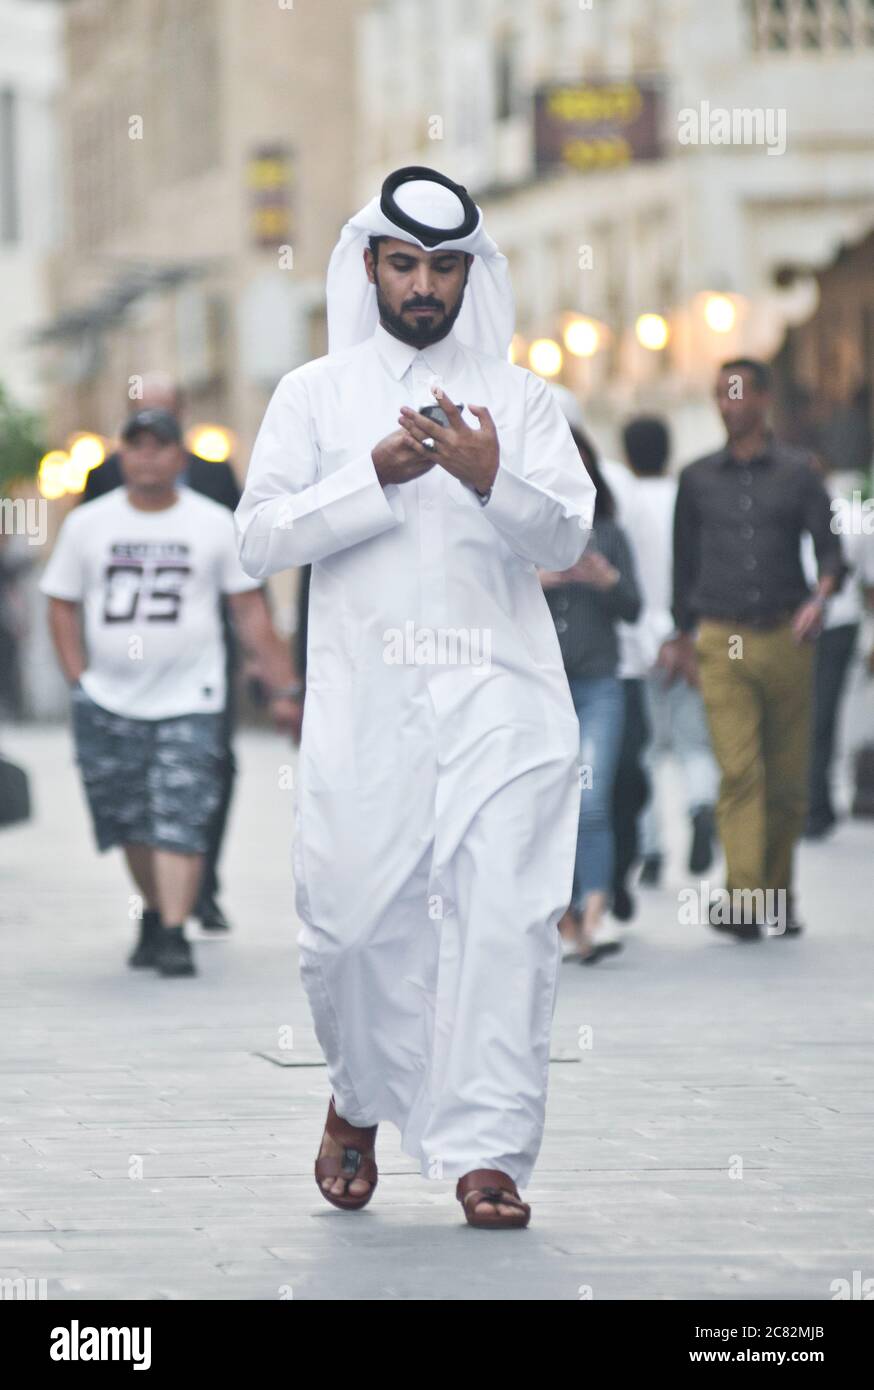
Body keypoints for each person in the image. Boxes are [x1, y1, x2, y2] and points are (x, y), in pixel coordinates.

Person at [235, 166, 596, 1229]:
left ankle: (489, 1150)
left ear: (466, 273)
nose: (424, 285)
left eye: (444, 266)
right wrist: (375, 476)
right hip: (367, 708)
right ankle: (355, 1097)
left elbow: (567, 536)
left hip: (504, 704)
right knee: (347, 929)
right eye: (405, 264)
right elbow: (257, 538)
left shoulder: (523, 398)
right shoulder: (315, 395)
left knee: (505, 925)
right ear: (370, 267)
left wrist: (493, 476)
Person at [41, 408, 299, 977]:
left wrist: (283, 685)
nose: (149, 456)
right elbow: (61, 601)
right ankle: (156, 912)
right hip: (108, 699)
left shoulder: (211, 523)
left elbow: (248, 609)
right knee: (129, 820)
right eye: (137, 446)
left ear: (179, 457)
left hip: (192, 696)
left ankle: (176, 930)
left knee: (180, 814)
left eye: (160, 447)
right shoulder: (89, 524)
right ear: (122, 457)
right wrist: (78, 678)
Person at [662, 359, 846, 939]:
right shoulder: (694, 479)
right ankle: (744, 898)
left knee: (787, 780)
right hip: (720, 637)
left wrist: (820, 598)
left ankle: (777, 897)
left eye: (738, 393)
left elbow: (831, 551)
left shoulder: (799, 473)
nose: (728, 404)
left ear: (764, 399)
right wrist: (680, 636)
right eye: (719, 394)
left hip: (786, 634)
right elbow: (682, 564)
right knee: (739, 769)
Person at [82, 374, 271, 935]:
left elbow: (245, 558)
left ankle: (200, 884)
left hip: (203, 659)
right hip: (123, 666)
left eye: (165, 416)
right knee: (134, 784)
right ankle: (159, 902)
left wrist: (262, 657)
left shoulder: (214, 474)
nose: (152, 436)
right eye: (143, 416)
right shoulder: (102, 478)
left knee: (207, 771)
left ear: (183, 421)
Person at [541, 427, 640, 964]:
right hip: (540, 687)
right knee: (547, 806)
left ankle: (594, 918)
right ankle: (562, 919)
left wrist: (605, 579)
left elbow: (634, 607)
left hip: (599, 684)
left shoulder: (609, 532)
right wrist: (542, 578)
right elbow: (486, 603)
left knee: (592, 800)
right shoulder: (522, 530)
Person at [621, 416, 719, 884]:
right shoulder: (690, 494)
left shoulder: (626, 501)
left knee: (648, 749)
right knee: (693, 740)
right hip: (689, 635)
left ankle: (652, 849)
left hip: (641, 639)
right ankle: (701, 805)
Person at [802, 455, 874, 838]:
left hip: (814, 623)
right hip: (835, 623)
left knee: (812, 714)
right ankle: (816, 801)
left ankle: (814, 802)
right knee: (822, 713)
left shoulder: (840, 514)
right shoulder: (851, 513)